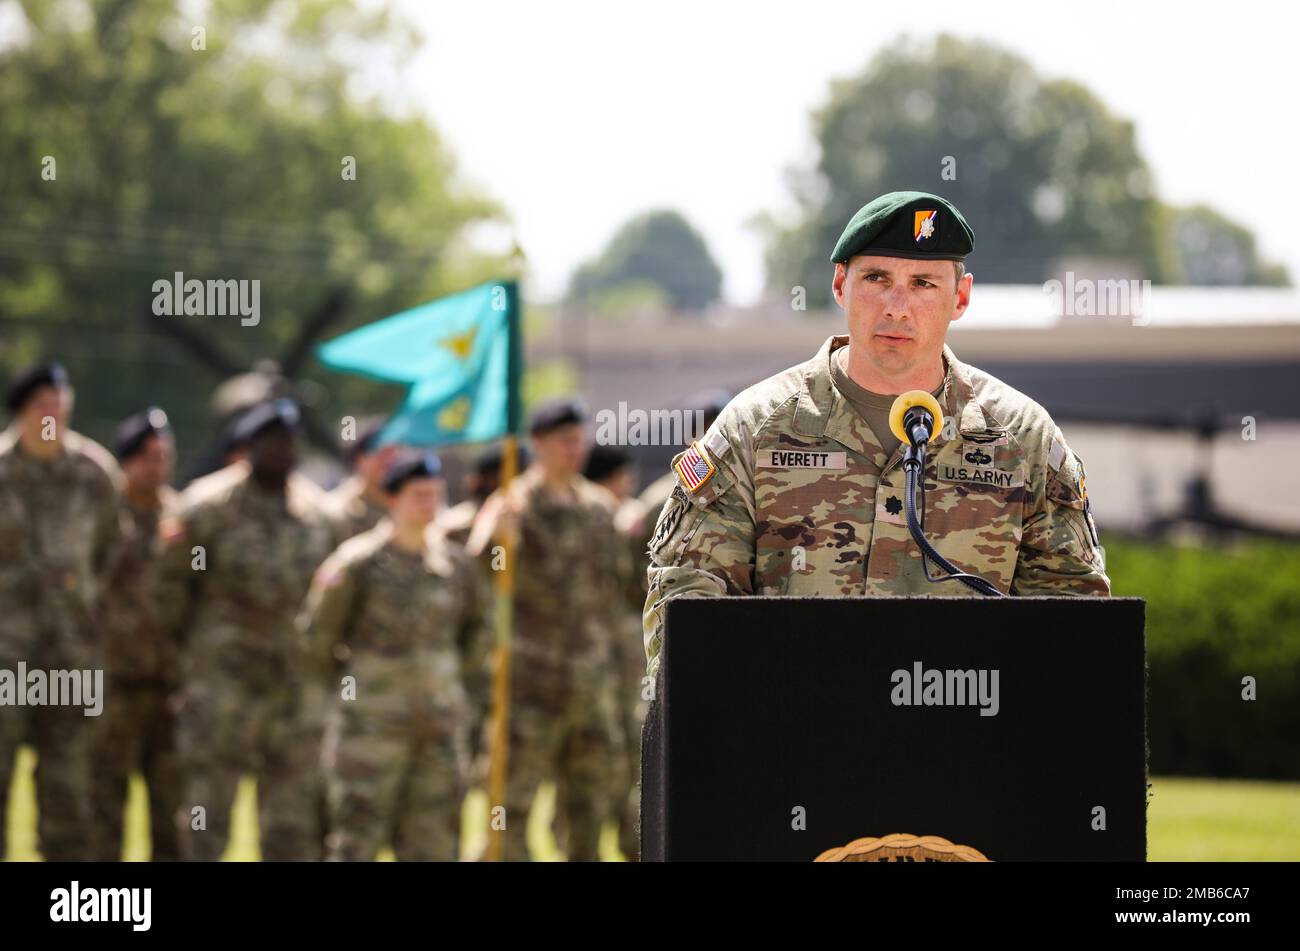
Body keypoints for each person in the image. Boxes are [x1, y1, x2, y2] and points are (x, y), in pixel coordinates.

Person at [643, 191, 1111, 679]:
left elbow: (1072, 625)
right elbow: (684, 606)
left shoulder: (1020, 439)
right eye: (877, 278)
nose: (897, 307)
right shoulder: (754, 429)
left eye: (924, 283)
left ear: (961, 297)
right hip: (789, 743)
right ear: (841, 285)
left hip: (966, 741)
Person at [156, 398, 339, 860]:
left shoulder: (319, 517)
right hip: (222, 689)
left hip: (293, 694)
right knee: (206, 815)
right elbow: (170, 592)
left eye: (290, 443)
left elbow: (329, 601)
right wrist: (191, 662)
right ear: (250, 447)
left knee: (291, 823)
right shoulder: (206, 508)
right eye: (272, 443)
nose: (282, 452)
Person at [300, 451, 492, 861]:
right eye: (419, 495)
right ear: (392, 499)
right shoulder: (357, 564)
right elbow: (317, 640)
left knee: (435, 845)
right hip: (370, 734)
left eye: (435, 496)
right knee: (357, 841)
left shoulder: (455, 567)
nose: (429, 505)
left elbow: (476, 640)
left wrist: (458, 698)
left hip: (438, 732)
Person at [466, 398, 626, 862]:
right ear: (538, 445)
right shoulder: (514, 503)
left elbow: (615, 589)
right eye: (564, 441)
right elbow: (477, 574)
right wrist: (497, 538)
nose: (574, 450)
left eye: (579, 440)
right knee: (510, 806)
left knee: (588, 807)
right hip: (529, 686)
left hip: (589, 685)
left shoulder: (598, 508)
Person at [0, 361, 122, 861]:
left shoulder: (94, 474)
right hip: (5, 657)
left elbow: (108, 552)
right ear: (22, 412)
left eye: (60, 403)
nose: (52, 413)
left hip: (71, 657)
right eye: (41, 405)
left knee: (69, 790)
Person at [91, 407, 183, 861]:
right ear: (126, 460)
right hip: (111, 687)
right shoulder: (101, 518)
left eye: (164, 455)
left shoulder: (185, 520)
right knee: (104, 809)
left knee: (173, 816)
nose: (157, 464)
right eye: (147, 455)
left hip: (170, 691)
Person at [325, 417, 401, 539]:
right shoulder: (337, 511)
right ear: (360, 459)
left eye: (393, 454)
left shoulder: (406, 506)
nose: (389, 461)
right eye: (382, 454)